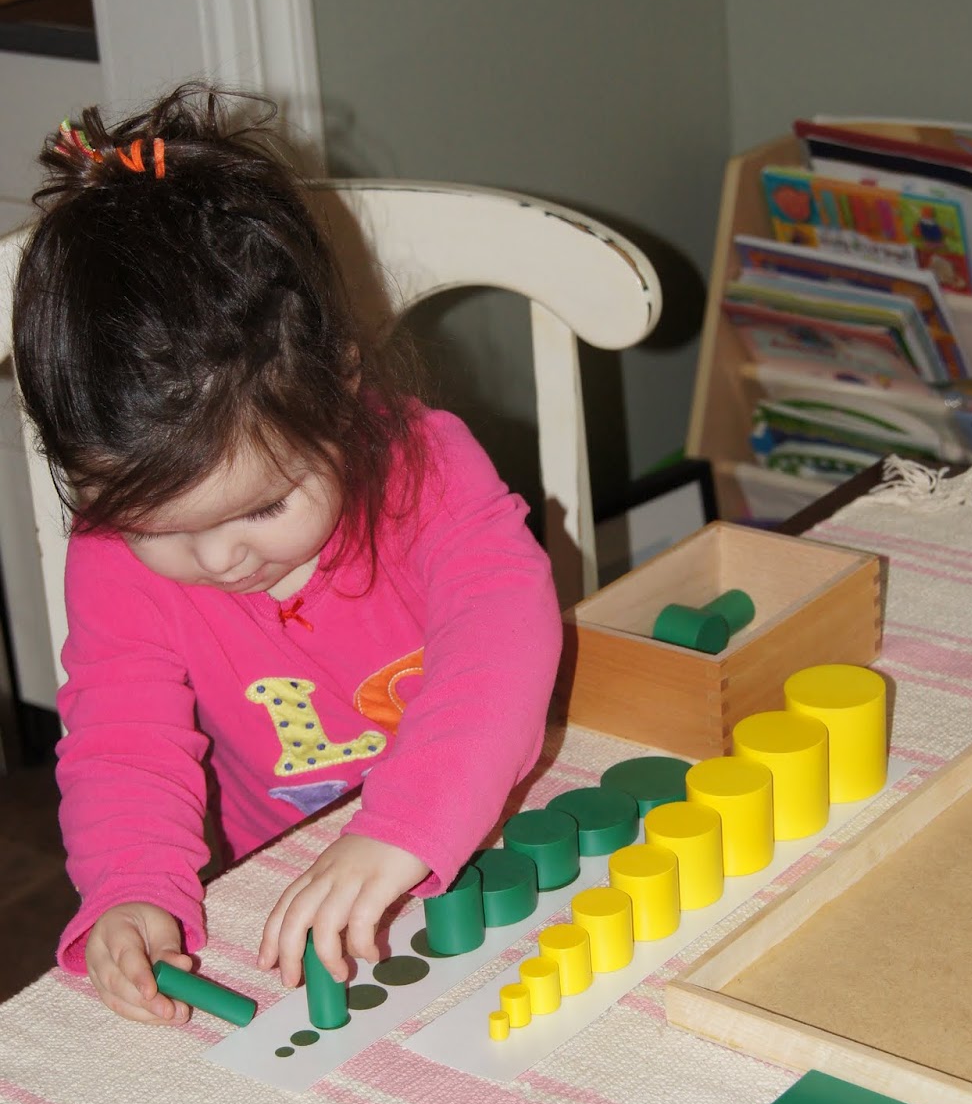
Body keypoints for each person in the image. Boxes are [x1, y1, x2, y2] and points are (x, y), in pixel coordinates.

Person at [12, 83, 562, 1025]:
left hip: (482, 822)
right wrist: (133, 888)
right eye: (162, 527)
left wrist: (398, 831)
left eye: (264, 506)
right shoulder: (112, 554)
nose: (223, 557)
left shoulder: (427, 471)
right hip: (283, 877)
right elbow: (124, 738)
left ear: (342, 391)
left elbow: (501, 641)